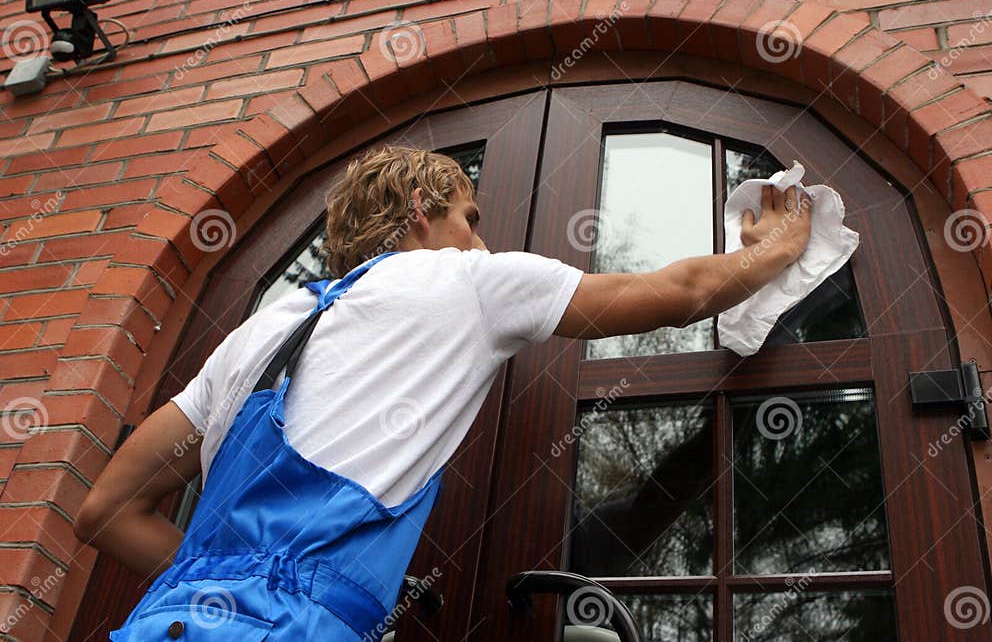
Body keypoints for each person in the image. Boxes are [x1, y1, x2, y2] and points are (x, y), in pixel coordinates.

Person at [74, 146, 812, 641]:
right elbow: (676, 293)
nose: (483, 243)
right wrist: (775, 249)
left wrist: (216, 589)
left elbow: (104, 513)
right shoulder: (468, 282)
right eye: (471, 219)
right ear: (423, 207)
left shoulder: (257, 335)